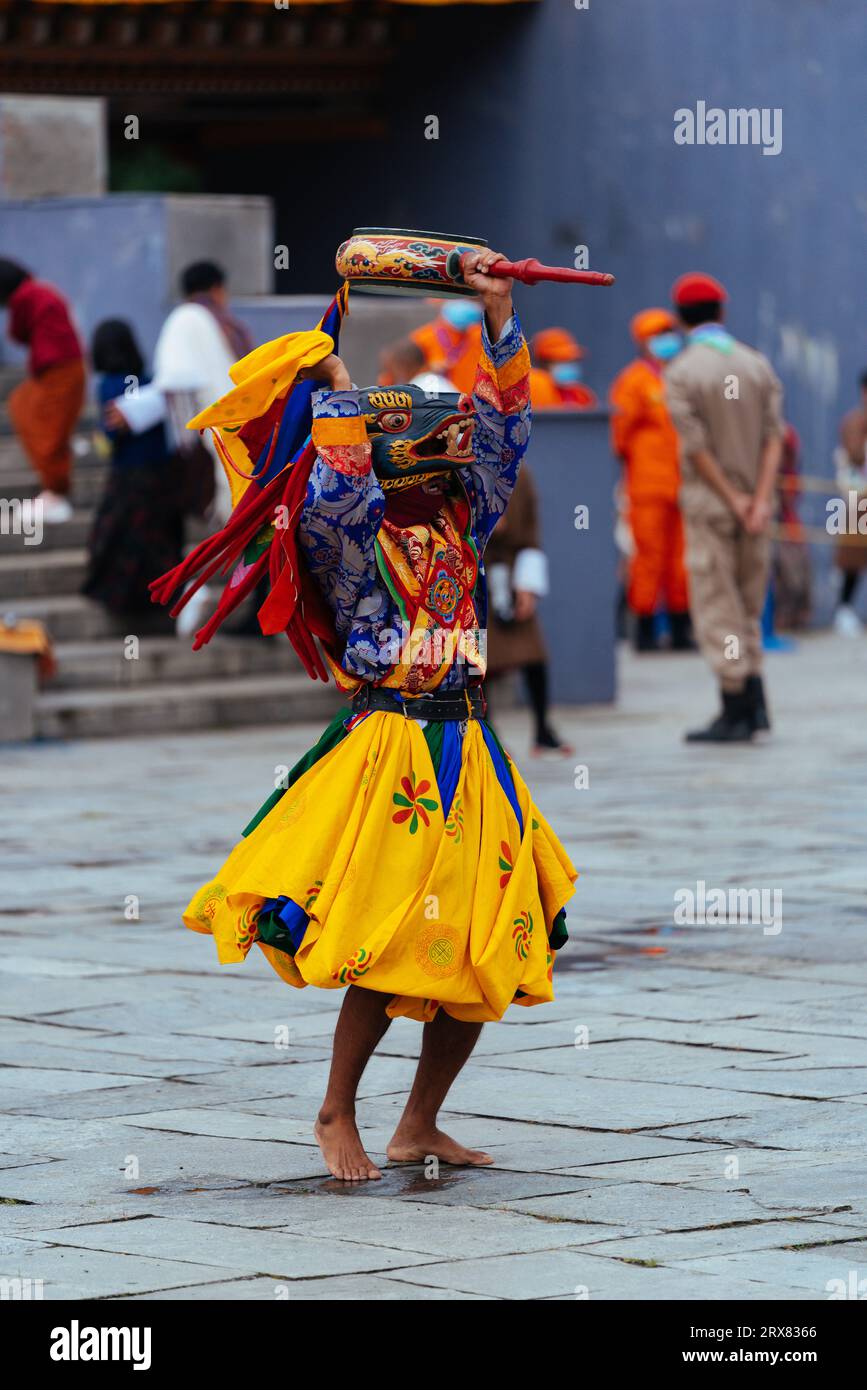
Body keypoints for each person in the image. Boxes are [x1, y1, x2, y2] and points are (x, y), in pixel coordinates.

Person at [156, 250, 577, 1181]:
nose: (451, 438)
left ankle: (418, 1122)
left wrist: (497, 317)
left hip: (469, 742)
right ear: (387, 448)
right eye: (429, 430)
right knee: (386, 946)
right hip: (393, 744)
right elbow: (339, 475)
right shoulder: (347, 529)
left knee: (478, 945)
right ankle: (334, 1110)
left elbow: (506, 434)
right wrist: (340, 386)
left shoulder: (461, 516)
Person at [665, 272, 784, 742]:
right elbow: (775, 439)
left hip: (712, 505)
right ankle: (756, 704)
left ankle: (735, 706)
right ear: (723, 312)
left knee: (718, 604)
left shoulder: (682, 371)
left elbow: (695, 447)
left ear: (679, 318)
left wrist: (732, 498)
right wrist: (757, 500)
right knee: (750, 604)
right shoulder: (756, 364)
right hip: (758, 507)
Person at [82, 319, 183, 619]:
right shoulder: (151, 381)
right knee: (160, 538)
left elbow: (110, 434)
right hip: (162, 473)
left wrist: (101, 437)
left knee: (118, 537)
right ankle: (169, 599)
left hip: (128, 476)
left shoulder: (108, 386)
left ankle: (125, 604)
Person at [609, 308, 692, 651]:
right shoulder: (634, 381)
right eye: (658, 336)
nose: (666, 341)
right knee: (647, 558)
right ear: (644, 342)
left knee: (681, 561)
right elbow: (619, 436)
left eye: (668, 333)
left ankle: (680, 629)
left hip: (683, 484)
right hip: (646, 487)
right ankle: (644, 631)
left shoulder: (682, 377)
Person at [153, 259, 253, 525]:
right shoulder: (206, 320)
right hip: (225, 425)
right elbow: (175, 383)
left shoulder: (186, 319)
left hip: (218, 427)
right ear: (217, 288)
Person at [484, 464, 573, 755]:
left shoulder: (521, 476)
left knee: (534, 655)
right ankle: (486, 732)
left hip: (511, 575)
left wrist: (527, 587)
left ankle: (543, 728)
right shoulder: (466, 468)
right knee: (476, 659)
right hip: (476, 578)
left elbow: (531, 534)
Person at [0, 258, 85, 523]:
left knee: (46, 432)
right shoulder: (39, 290)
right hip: (58, 370)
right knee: (23, 406)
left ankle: (55, 493)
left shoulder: (25, 296)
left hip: (59, 371)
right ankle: (54, 488)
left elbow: (16, 333)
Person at [833, 372, 867, 635]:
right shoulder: (855, 421)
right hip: (859, 496)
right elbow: (855, 455)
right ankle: (843, 610)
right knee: (853, 557)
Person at [410, 297, 484, 395]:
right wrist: (428, 368)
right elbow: (403, 375)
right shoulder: (422, 337)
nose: (463, 303)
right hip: (439, 405)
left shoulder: (482, 337)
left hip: (476, 405)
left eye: (472, 300)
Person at [529, 328, 598, 410]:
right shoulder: (535, 385)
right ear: (543, 363)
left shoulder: (580, 394)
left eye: (572, 361)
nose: (568, 366)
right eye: (561, 361)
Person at [378, 336, 455, 395]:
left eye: (391, 369)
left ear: (403, 367)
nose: (388, 375)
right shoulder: (436, 382)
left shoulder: (417, 392)